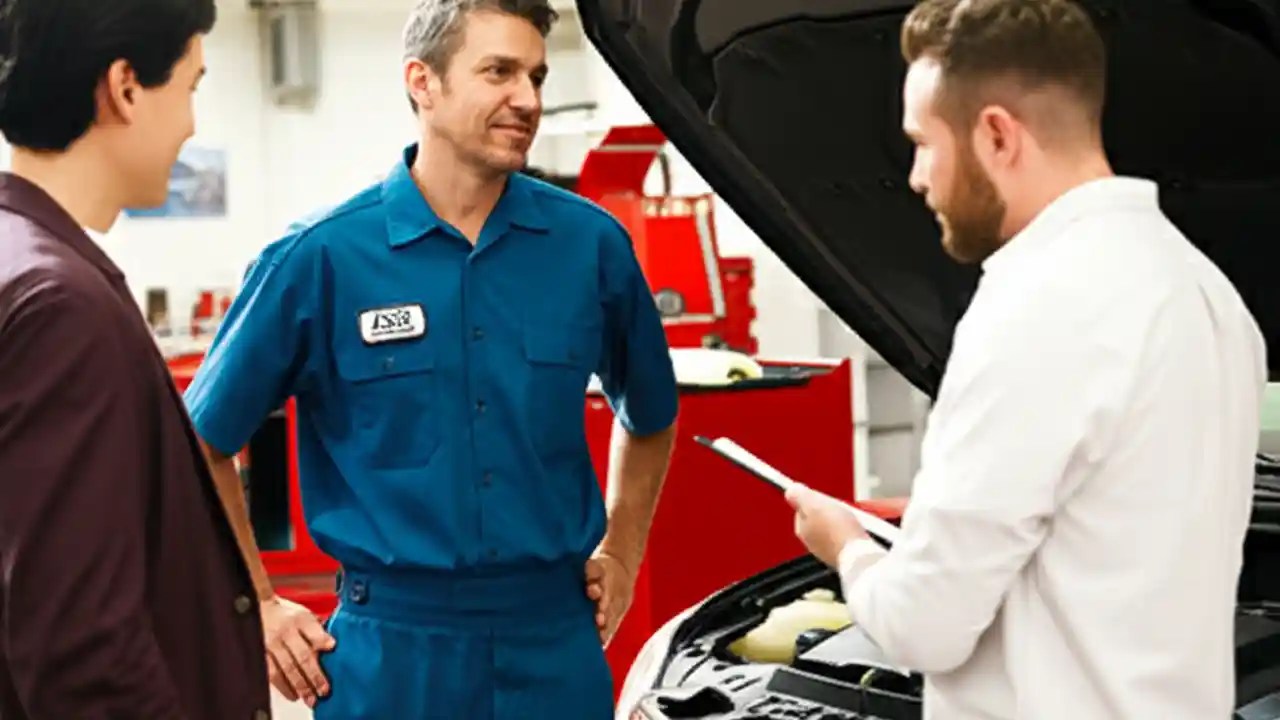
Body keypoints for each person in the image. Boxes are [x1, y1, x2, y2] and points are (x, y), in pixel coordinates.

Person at [182, 0, 679, 717]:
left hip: (555, 645)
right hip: (391, 655)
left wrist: (624, 553)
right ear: (423, 82)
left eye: (536, 75)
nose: (528, 98)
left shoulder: (590, 247)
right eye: (499, 72)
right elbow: (199, 441)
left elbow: (651, 412)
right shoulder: (319, 259)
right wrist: (256, 602)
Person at [785, 0, 1268, 718]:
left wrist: (848, 548)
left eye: (922, 143)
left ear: (997, 135)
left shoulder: (1035, 309)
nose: (915, 177)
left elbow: (923, 625)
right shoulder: (1206, 292)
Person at [0, 1, 273, 719]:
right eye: (189, 87)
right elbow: (83, 652)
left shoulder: (16, 258)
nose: (192, 125)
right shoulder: (62, 307)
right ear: (125, 88)